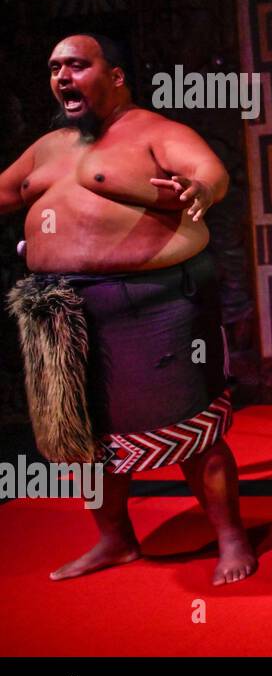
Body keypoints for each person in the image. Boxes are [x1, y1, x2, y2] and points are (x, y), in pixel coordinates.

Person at [0, 33, 255, 586]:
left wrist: (197, 191)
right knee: (85, 435)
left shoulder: (157, 132)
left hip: (154, 305)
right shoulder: (50, 147)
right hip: (61, 313)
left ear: (114, 76)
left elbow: (209, 174)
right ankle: (114, 540)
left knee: (194, 430)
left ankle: (230, 534)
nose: (62, 76)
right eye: (54, 68)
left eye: (76, 65)